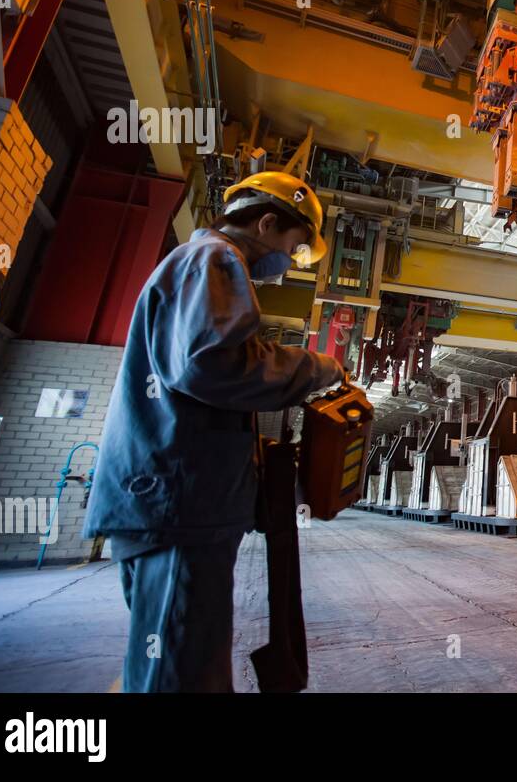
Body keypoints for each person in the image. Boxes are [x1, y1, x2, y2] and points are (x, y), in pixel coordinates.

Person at [82, 171, 344, 692]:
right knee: (180, 674)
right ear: (267, 223)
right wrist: (318, 369)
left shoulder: (202, 263)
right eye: (293, 248)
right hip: (179, 506)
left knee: (172, 660)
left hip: (177, 506)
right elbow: (213, 364)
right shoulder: (215, 260)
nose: (288, 263)